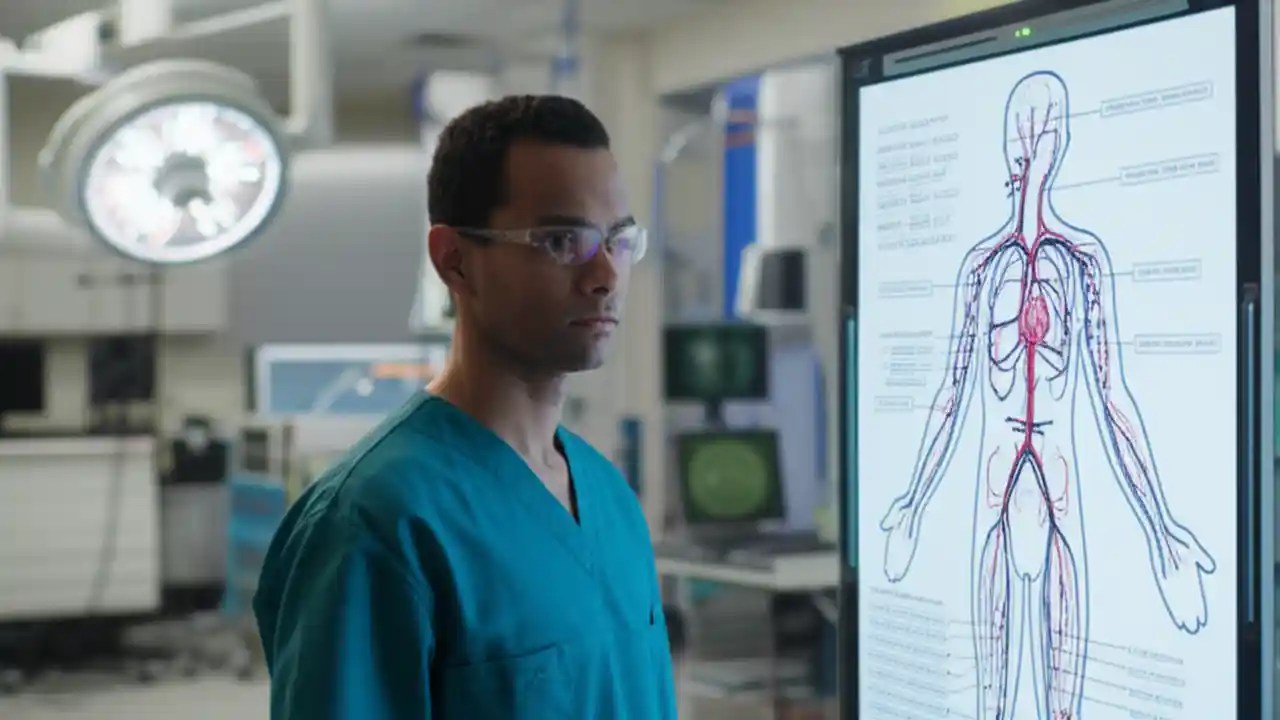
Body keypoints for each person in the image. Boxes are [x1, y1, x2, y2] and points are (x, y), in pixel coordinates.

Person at [253, 95, 677, 719]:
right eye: (562, 240)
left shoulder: (609, 498)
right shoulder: (375, 523)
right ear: (454, 260)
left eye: (619, 240)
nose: (605, 275)